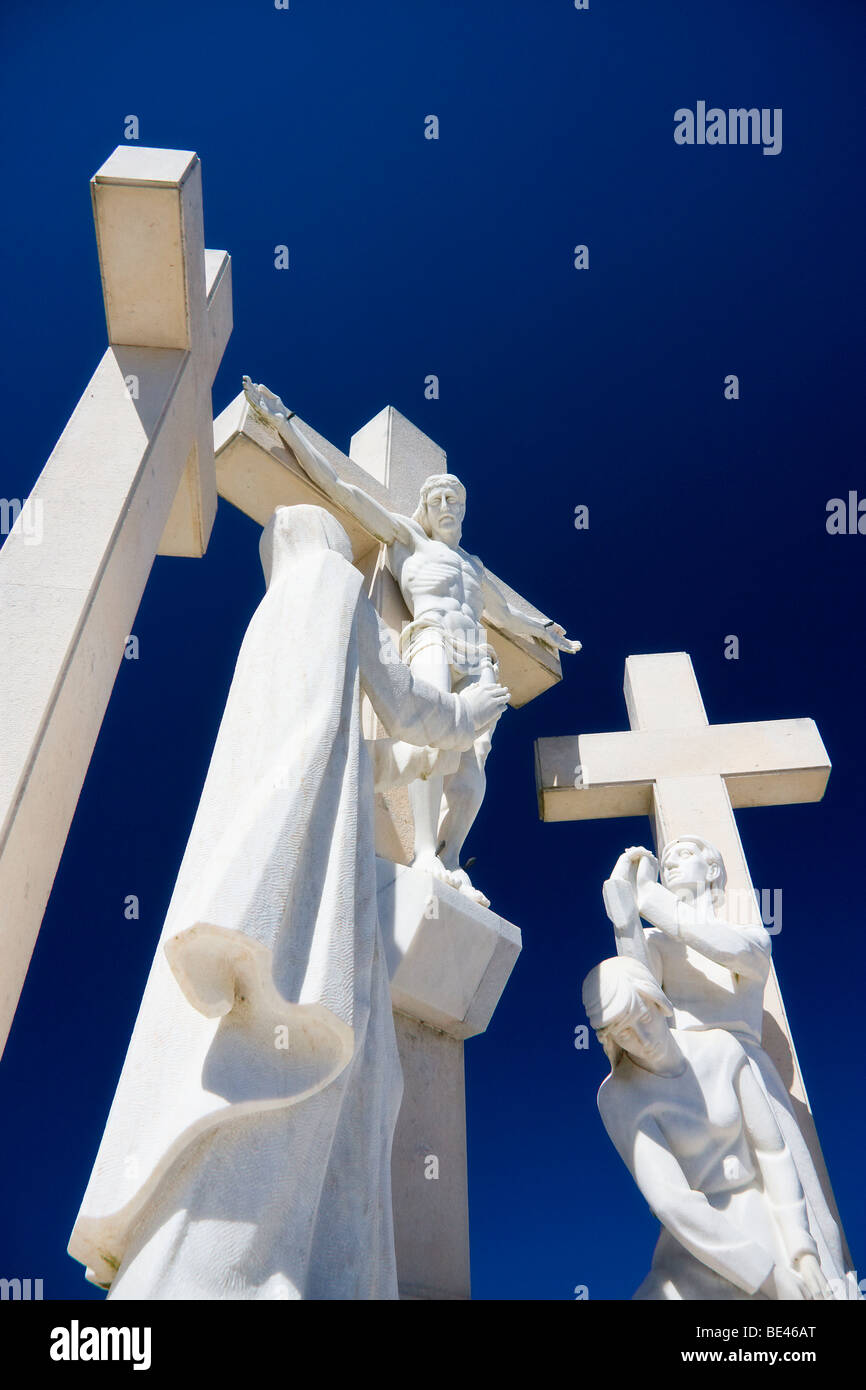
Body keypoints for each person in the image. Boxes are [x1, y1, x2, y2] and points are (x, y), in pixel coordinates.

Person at [68, 505, 509, 1300]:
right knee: (327, 1073)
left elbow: (338, 744)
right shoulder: (334, 585)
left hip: (264, 852)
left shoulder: (267, 626)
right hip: (309, 874)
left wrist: (413, 754)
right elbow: (403, 704)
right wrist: (463, 718)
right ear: (333, 545)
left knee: (275, 1081)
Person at [242, 377, 580, 906]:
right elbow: (340, 488)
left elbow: (506, 614)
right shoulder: (408, 538)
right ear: (425, 506)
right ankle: (422, 851)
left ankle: (448, 858)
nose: (446, 503)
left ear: (464, 510)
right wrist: (286, 424)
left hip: (482, 660)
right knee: (430, 739)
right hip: (433, 640)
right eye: (437, 496)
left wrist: (542, 632)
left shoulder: (474, 566)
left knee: (471, 776)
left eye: (455, 498)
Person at [603, 837, 854, 1294]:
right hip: (680, 1080)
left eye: (686, 855)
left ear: (713, 869)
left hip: (748, 1072)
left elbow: (730, 950)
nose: (673, 863)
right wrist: (625, 918)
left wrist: (650, 899)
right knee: (704, 1205)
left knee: (802, 1199)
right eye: (670, 858)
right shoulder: (657, 941)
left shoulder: (749, 939)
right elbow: (637, 989)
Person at [583, 956, 837, 1300]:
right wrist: (767, 1277)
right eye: (625, 1032)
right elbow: (672, 1203)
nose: (643, 1038)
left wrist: (801, 1249)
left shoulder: (720, 1048)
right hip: (698, 1242)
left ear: (659, 1004)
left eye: (644, 1017)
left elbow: (772, 1151)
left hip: (763, 1215)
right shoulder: (618, 1097)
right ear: (610, 1039)